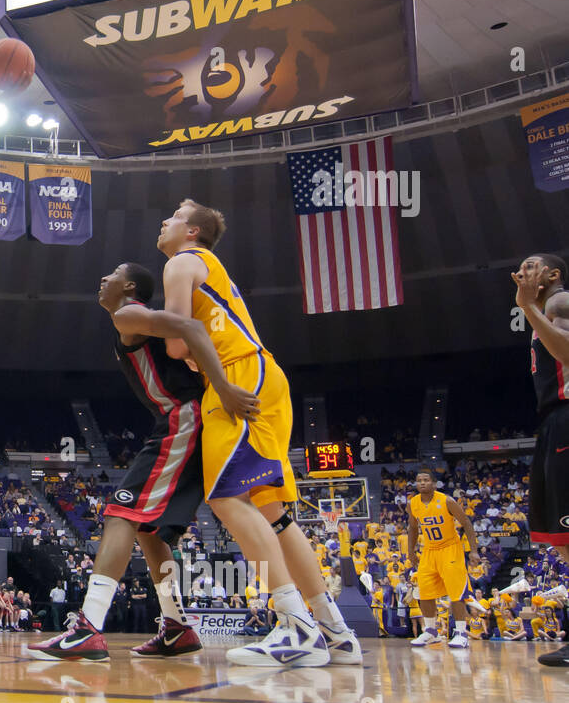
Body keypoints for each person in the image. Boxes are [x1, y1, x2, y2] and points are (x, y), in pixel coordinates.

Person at [158, 201, 360, 667]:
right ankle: (334, 630)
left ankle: (295, 626)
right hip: (264, 375)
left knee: (229, 499)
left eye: (172, 215)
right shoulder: (208, 266)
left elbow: (175, 340)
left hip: (234, 376)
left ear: (191, 232)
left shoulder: (181, 262)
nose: (163, 221)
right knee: (275, 514)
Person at [28, 262, 257, 661]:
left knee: (120, 514)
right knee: (149, 531)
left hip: (182, 416)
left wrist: (222, 386)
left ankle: (88, 628)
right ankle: (176, 627)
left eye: (112, 273)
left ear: (130, 286)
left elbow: (194, 329)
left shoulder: (127, 313)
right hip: (181, 418)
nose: (103, 278)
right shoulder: (128, 320)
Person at [511, 256, 569, 666]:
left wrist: (529, 306)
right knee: (565, 544)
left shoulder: (559, 301)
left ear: (553, 275)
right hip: (554, 423)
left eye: (532, 266)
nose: (523, 271)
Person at [406, 470, 484, 649]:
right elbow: (413, 527)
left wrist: (473, 550)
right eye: (419, 480)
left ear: (434, 483)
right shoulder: (413, 503)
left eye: (426, 480)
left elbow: (466, 523)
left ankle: (461, 632)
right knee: (423, 591)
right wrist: (411, 551)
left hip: (451, 549)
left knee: (456, 592)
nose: (422, 483)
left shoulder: (447, 501)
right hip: (429, 550)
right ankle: (431, 632)